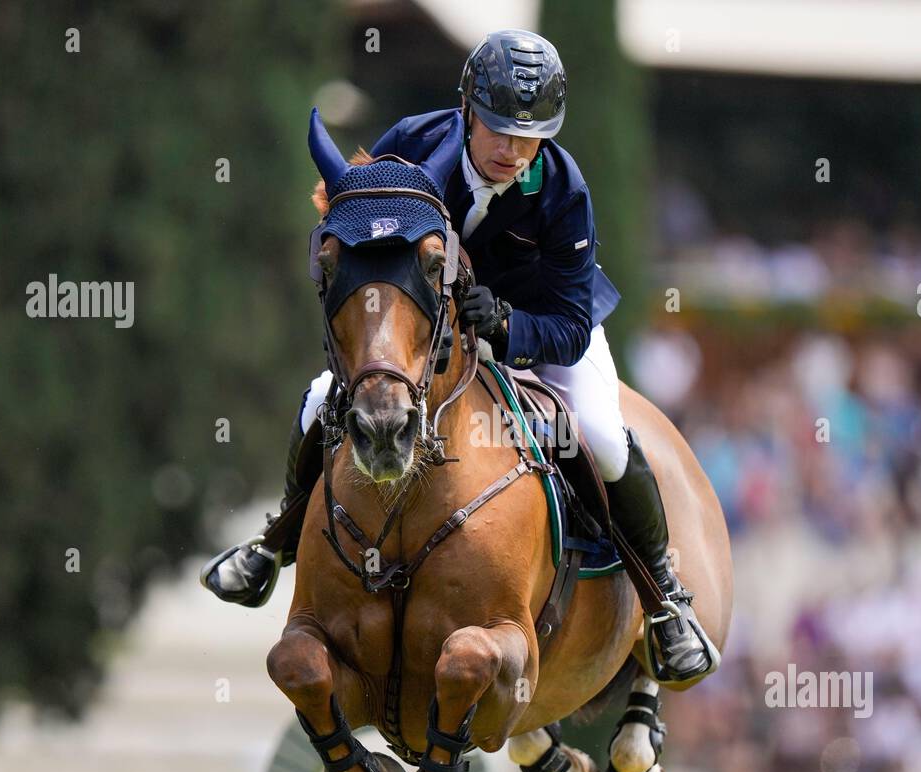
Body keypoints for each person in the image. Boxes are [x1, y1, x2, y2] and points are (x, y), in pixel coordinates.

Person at [201, 29, 715, 683]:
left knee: (601, 434)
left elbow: (570, 325)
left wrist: (505, 325)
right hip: (425, 337)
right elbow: (355, 234)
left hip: (541, 332)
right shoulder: (410, 144)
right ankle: (273, 546)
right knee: (315, 404)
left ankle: (665, 598)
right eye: (499, 130)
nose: (512, 151)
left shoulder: (560, 188)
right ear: (468, 109)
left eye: (529, 136)